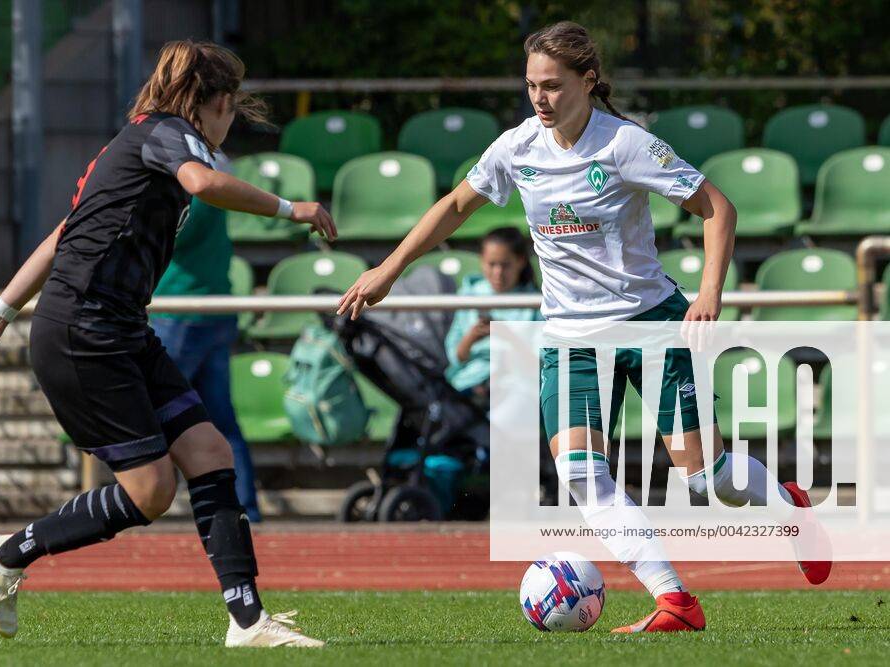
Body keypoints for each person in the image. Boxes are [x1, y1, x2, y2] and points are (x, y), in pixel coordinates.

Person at [339, 21, 831, 633]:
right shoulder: (518, 147)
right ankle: (674, 600)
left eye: (552, 86)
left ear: (588, 81)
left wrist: (709, 291)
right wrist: (388, 268)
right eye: (530, 87)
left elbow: (717, 207)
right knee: (582, 476)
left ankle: (791, 506)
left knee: (708, 479)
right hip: (570, 337)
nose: (540, 100)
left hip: (649, 325)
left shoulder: (624, 144)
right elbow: (455, 207)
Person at [0, 40, 335, 648]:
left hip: (117, 327)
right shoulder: (163, 135)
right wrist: (292, 208)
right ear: (209, 104)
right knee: (152, 492)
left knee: (212, 452)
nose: (230, 122)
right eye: (229, 109)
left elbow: (63, 233)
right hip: (83, 332)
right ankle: (6, 554)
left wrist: (1, 309)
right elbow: (203, 182)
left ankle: (248, 622)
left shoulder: (138, 142)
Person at [150, 152, 261, 523]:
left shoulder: (195, 190)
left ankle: (138, 500)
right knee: (220, 419)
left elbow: (169, 235)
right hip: (210, 309)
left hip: (182, 313)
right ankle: (244, 510)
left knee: (151, 411)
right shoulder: (214, 175)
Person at [444, 226, 542, 408]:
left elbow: (539, 360)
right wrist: (471, 338)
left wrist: (505, 334)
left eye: (505, 265)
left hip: (517, 388)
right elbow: (455, 356)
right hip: (468, 386)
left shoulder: (536, 302)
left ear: (520, 261)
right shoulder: (469, 295)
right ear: (482, 261)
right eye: (491, 264)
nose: (498, 273)